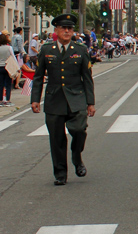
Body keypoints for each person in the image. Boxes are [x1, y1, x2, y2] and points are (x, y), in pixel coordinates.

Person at [30, 13, 95, 186]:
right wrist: (35, 99)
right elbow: (37, 77)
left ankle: (76, 156)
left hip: (76, 98)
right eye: (63, 28)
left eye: (70, 28)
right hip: (54, 99)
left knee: (79, 130)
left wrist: (90, 102)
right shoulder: (46, 50)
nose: (67, 31)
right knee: (57, 138)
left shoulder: (80, 50)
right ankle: (60, 173)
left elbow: (87, 78)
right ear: (56, 30)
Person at [0, 33, 15, 107]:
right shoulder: (9, 48)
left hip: (0, 66)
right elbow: (13, 56)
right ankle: (7, 99)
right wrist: (16, 66)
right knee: (8, 84)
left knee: (0, 84)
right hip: (7, 66)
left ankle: (0, 100)